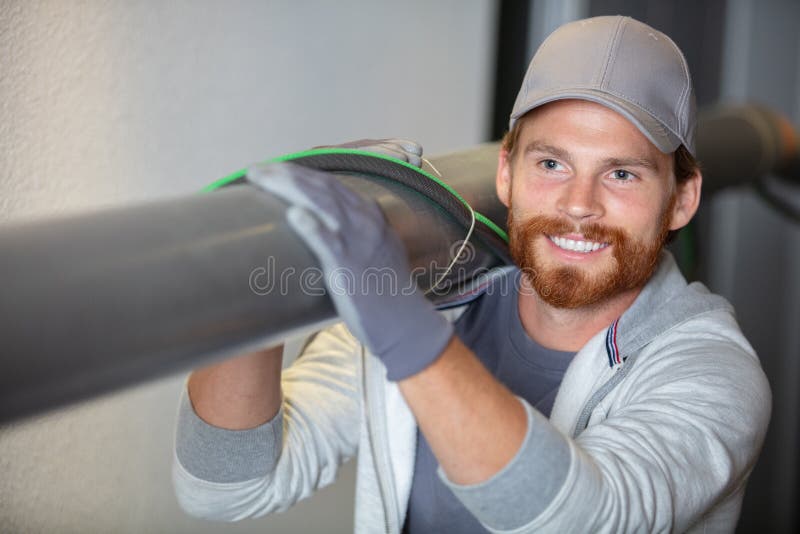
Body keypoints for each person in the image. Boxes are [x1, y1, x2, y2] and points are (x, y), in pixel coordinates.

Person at [172, 15, 771, 533]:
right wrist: (262, 274)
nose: (578, 204)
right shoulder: (443, 303)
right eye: (552, 163)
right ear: (506, 173)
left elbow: (583, 519)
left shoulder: (711, 369)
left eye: (622, 174)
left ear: (683, 198)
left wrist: (404, 331)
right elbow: (225, 490)